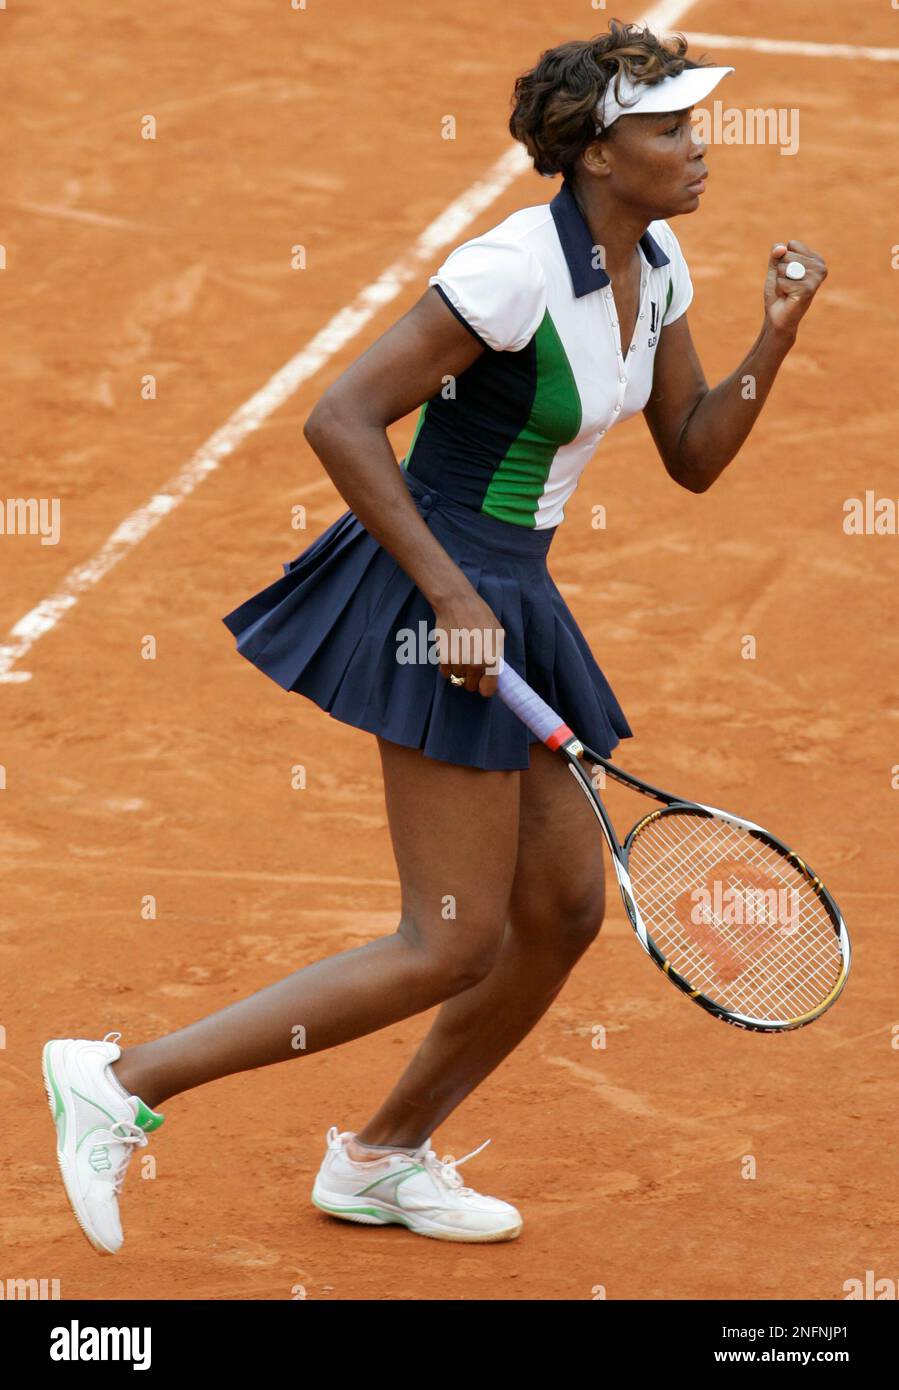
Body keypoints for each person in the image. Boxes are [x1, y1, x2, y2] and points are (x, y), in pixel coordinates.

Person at [42, 20, 827, 1252]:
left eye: (693, 123)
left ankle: (378, 1155)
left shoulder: (658, 261)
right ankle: (122, 1077)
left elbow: (689, 456)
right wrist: (452, 600)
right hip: (437, 590)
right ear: (595, 154)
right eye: (668, 128)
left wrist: (770, 337)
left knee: (562, 910)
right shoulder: (509, 270)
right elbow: (342, 419)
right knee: (447, 937)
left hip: (513, 592)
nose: (696, 146)